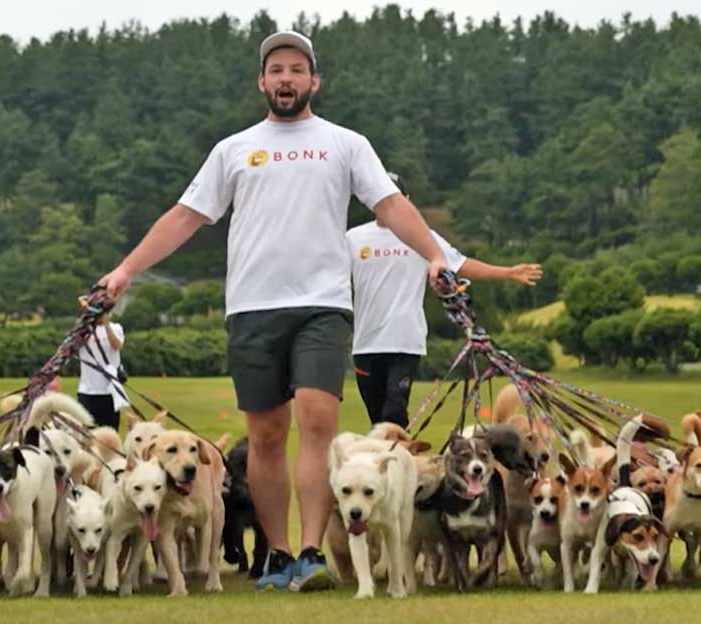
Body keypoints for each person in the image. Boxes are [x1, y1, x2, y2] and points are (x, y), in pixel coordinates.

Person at [97, 31, 449, 592]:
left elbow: (390, 205)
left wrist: (433, 254)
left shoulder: (345, 143)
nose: (286, 79)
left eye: (297, 70)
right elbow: (185, 217)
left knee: (316, 423)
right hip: (253, 307)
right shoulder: (233, 149)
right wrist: (125, 270)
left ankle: (310, 552)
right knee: (264, 435)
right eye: (276, 70)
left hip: (322, 304)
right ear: (262, 81)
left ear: (314, 81)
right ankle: (279, 555)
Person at [347, 171, 543, 428]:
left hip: (404, 341)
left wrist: (507, 272)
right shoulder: (353, 238)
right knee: (377, 420)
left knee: (394, 411)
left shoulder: (421, 237)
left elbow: (462, 264)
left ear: (406, 200)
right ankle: (392, 464)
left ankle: (400, 463)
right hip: (366, 344)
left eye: (392, 198)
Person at [77, 312, 125, 430]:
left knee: (110, 433)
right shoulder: (83, 330)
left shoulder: (116, 327)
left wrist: (107, 325)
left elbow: (117, 345)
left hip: (110, 390)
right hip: (87, 391)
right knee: (87, 433)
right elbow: (72, 347)